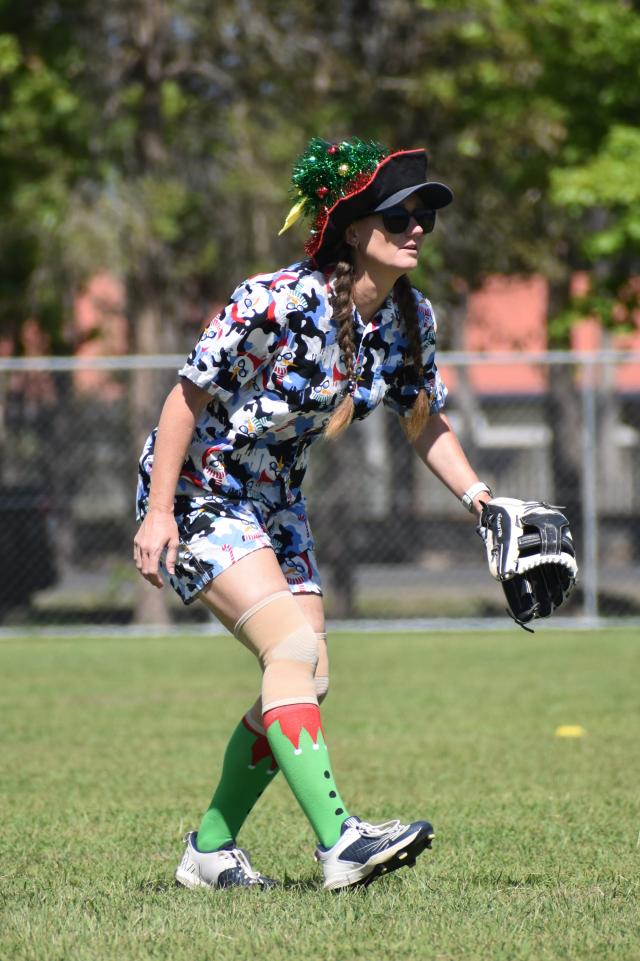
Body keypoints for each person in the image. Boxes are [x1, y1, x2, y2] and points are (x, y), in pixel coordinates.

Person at [133, 137, 494, 892]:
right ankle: (340, 842)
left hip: (277, 504)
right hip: (203, 489)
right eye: (401, 213)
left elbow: (423, 419)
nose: (419, 224)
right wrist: (159, 512)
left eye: (426, 211)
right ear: (355, 228)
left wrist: (483, 501)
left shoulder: (408, 316)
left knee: (309, 673)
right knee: (291, 648)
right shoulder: (272, 300)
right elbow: (184, 398)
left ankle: (209, 849)